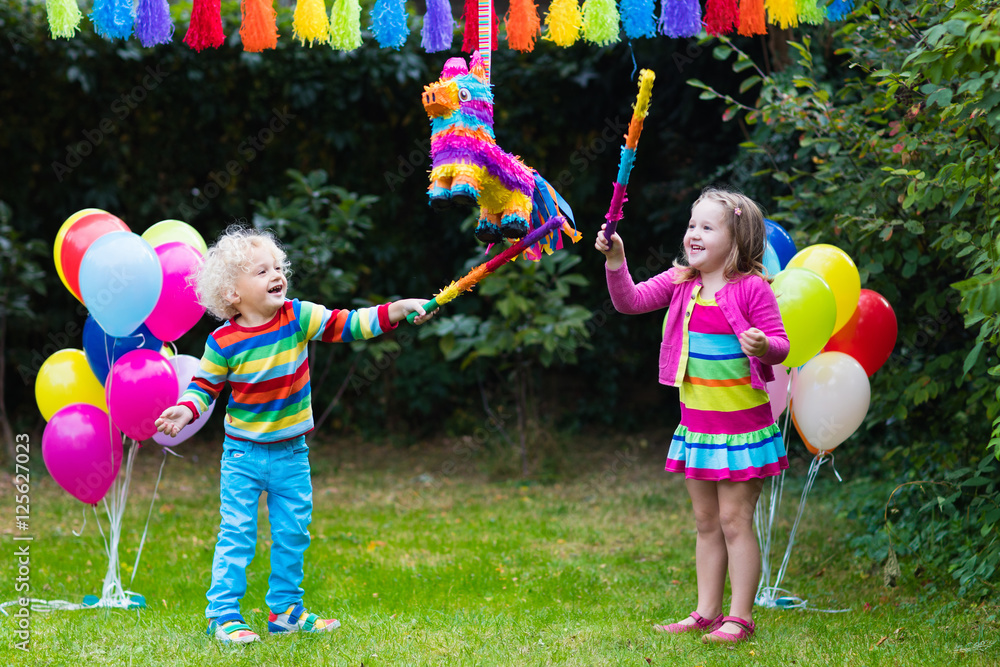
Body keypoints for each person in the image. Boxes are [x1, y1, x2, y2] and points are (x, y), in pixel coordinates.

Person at [155, 225, 435, 644]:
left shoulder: (297, 316)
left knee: (293, 533)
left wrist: (397, 309)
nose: (276, 275)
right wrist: (185, 408)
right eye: (261, 271)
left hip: (291, 454)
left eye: (278, 267)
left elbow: (349, 324)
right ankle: (223, 614)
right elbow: (204, 388)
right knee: (236, 534)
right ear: (232, 292)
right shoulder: (223, 341)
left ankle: (285, 611)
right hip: (243, 457)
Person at [595, 187, 789, 644]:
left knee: (735, 522)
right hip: (699, 428)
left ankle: (740, 617)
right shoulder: (682, 280)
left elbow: (781, 344)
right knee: (706, 523)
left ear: (737, 237)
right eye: (691, 225)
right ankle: (706, 611)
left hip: (743, 431)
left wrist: (764, 345)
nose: (693, 234)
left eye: (707, 227)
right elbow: (631, 301)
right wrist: (615, 261)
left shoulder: (753, 288)